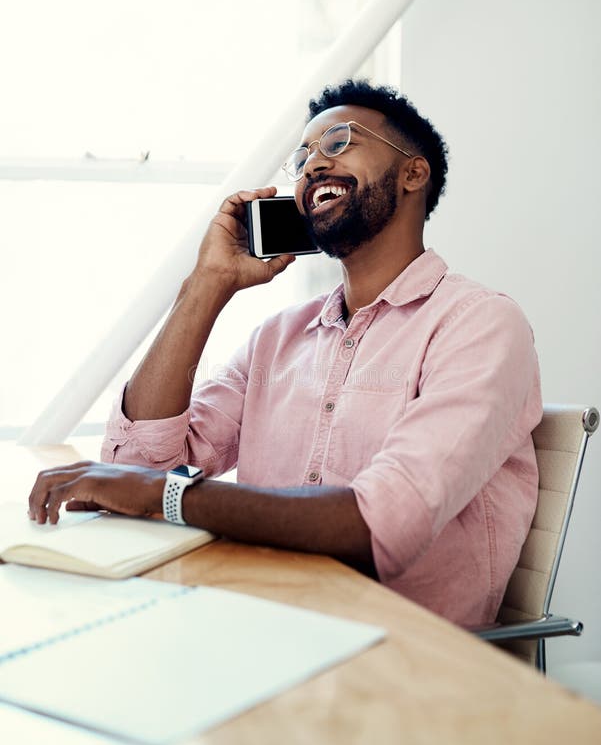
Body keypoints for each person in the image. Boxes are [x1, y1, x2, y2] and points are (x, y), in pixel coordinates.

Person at [28, 79, 542, 629]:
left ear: (414, 173)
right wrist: (207, 285)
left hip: (399, 658)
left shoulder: (479, 325)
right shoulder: (278, 337)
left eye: (340, 142)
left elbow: (381, 524)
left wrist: (166, 496)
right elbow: (132, 467)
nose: (312, 166)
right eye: (302, 159)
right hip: (259, 621)